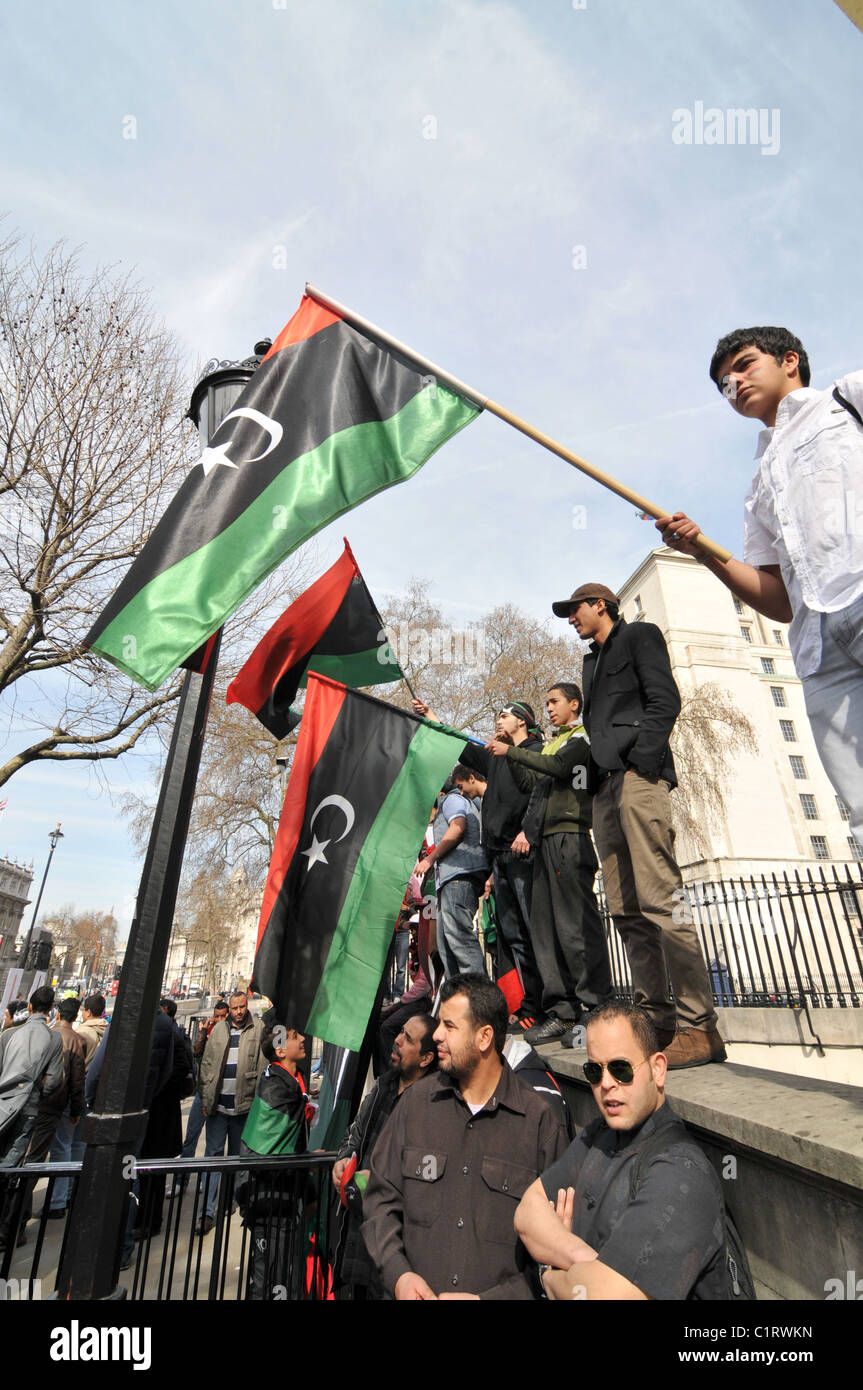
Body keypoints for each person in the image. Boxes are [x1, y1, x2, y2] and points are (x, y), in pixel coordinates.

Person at [655, 327, 863, 853]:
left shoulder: (849, 401)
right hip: (818, 655)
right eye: (725, 381)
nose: (734, 382)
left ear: (790, 360)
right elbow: (776, 598)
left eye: (745, 365)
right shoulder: (756, 488)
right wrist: (703, 550)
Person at [553, 586, 724, 1068]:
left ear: (600, 604)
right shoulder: (591, 664)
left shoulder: (640, 636)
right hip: (605, 789)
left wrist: (642, 765)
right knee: (627, 910)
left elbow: (664, 700)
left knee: (662, 899)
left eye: (575, 610)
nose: (571, 620)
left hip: (639, 780)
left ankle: (700, 1025)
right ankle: (657, 1020)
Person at [361, 973, 567, 1300]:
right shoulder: (415, 1105)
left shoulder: (539, 1122)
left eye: (449, 1026)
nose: (437, 1035)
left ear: (484, 1037)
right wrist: (399, 1275)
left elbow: (557, 1255)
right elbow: (379, 1202)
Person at [514, 1001, 728, 1300]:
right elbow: (527, 1211)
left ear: (658, 1069)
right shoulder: (595, 1135)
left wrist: (550, 1276)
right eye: (594, 1070)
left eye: (620, 1069)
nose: (607, 1084)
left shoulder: (679, 1171)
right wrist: (583, 1258)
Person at [487, 683, 612, 1045]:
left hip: (569, 838)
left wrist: (512, 753)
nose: (550, 708)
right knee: (544, 930)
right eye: (546, 703)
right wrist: (511, 754)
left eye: (555, 702)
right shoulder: (553, 741)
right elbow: (534, 782)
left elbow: (557, 767)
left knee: (574, 926)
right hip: (544, 841)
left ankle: (594, 1007)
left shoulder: (582, 739)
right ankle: (561, 1009)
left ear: (575, 704)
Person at [446, 702, 546, 1029]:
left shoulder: (535, 751)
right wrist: (430, 715)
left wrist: (526, 830)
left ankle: (551, 1004)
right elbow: (459, 744)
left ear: (521, 721)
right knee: (514, 934)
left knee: (533, 929)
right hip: (500, 859)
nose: (498, 721)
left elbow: (539, 794)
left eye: (504, 716)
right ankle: (532, 1004)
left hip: (523, 853)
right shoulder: (495, 757)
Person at [332, 1012, 437, 1299]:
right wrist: (343, 1160)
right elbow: (352, 1138)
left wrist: (379, 1180)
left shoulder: (435, 1103)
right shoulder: (382, 1086)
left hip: (399, 1248)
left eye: (408, 1038)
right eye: (400, 1032)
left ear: (426, 1058)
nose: (397, 1040)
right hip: (360, 1237)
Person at [238, 1025, 314, 1300]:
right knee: (269, 1276)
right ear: (280, 1050)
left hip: (282, 1198)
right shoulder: (276, 1088)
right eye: (295, 1037)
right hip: (271, 1201)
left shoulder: (290, 1084)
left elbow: (292, 1146)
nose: (303, 1038)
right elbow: (269, 1150)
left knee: (278, 1272)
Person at [0, 987, 67, 1247]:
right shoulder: (52, 1039)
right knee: (12, 1167)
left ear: (29, 1007)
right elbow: (54, 1081)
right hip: (28, 1107)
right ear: (51, 1009)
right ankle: (7, 1228)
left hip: (4, 1105)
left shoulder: (9, 1034)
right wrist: (38, 1090)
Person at [196, 990, 265, 1233]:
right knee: (213, 1156)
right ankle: (207, 1210)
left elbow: (263, 1065)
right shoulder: (219, 1030)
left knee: (238, 1158)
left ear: (246, 1005)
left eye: (241, 1007)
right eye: (234, 1008)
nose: (238, 1012)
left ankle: (234, 1201)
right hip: (218, 1106)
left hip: (243, 1106)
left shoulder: (258, 1028)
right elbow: (206, 1064)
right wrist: (206, 1097)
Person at [414, 772, 490, 979]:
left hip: (459, 878)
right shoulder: (460, 800)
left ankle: (477, 1000)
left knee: (459, 940)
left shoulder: (451, 800)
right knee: (447, 946)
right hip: (453, 879)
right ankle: (458, 998)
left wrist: (430, 859)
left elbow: (458, 827)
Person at [176, 999, 229, 1184]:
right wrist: (203, 1031)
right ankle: (181, 1181)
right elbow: (196, 1052)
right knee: (191, 1137)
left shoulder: (231, 1034)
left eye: (223, 1016)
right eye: (217, 1016)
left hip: (219, 1094)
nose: (220, 1019)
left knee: (212, 1145)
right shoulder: (208, 1033)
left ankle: (204, 1183)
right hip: (202, 1092)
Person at [76, 993, 107, 1071]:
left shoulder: (83, 1031)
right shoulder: (106, 1030)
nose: (82, 1014)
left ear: (88, 1012)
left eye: (84, 1010)